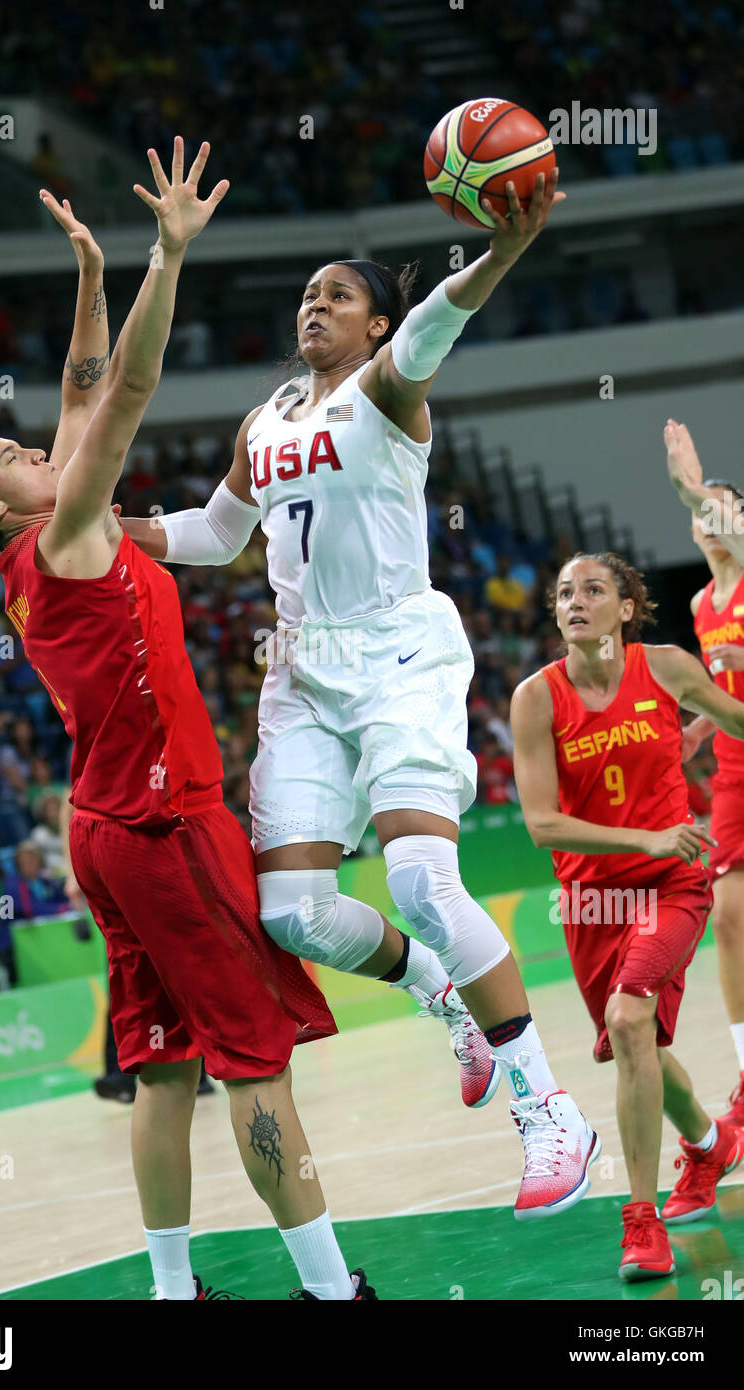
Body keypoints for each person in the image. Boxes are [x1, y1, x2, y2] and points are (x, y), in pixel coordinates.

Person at [0, 140, 376, 1301]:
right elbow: (127, 391)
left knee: (160, 1069)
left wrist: (94, 275)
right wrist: (167, 255)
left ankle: (169, 1289)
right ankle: (327, 1290)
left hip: (102, 832)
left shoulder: (38, 542)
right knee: (254, 1063)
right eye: (18, 456)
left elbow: (78, 389)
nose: (42, 449)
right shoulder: (66, 534)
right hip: (166, 828)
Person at [120, 170, 600, 1218]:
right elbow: (216, 533)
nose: (314, 305)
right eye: (307, 294)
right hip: (301, 668)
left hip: (397, 652)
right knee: (289, 912)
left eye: (337, 295)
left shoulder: (387, 388)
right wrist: (117, 529)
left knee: (420, 880)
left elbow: (435, 325)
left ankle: (548, 1108)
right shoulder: (264, 419)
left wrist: (502, 250)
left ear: (375, 323)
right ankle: (442, 996)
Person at [510, 551, 744, 1281]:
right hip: (591, 902)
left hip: (672, 883)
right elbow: (541, 826)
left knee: (626, 1017)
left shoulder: (667, 668)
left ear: (624, 608)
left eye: (592, 590)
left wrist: (659, 843)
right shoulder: (536, 698)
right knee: (633, 1039)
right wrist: (642, 837)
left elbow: (740, 720)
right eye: (563, 593)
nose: (574, 602)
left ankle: (640, 1223)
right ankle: (711, 1145)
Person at [666, 420, 744, 1134]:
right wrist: (700, 723)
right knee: (726, 919)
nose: (712, 524)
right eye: (701, 514)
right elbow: (724, 692)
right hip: (734, 770)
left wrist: (696, 488)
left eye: (724, 513)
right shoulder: (701, 607)